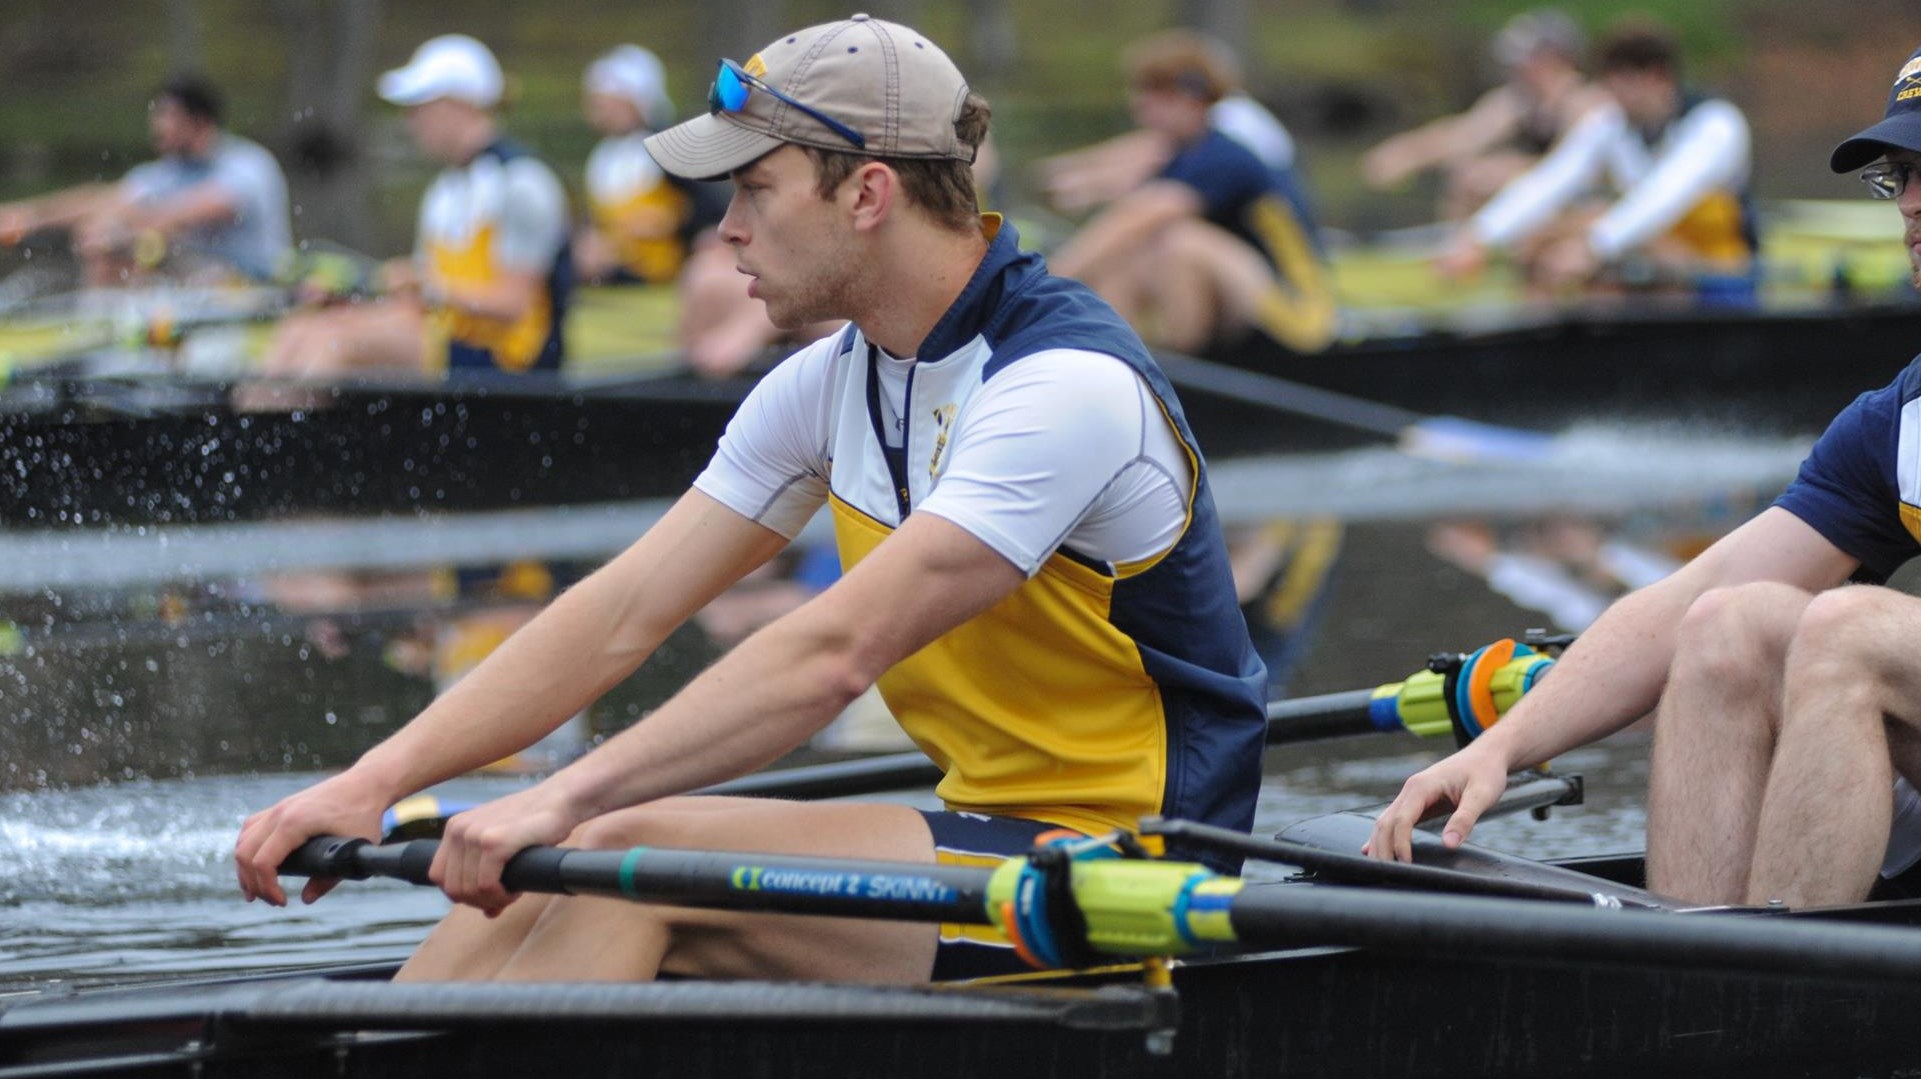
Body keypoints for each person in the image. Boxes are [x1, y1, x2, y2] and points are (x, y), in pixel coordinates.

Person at [233, 15, 1267, 984]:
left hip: (1144, 873)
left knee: (615, 844)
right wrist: (375, 776)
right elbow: (623, 608)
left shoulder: (1061, 387)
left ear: (867, 194)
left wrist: (563, 792)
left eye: (754, 191)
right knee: (568, 854)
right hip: (989, 838)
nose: (725, 231)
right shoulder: (833, 382)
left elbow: (829, 655)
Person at [1364, 42, 1921, 910]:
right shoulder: (1896, 420)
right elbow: (1684, 593)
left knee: (1846, 628)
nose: (1911, 202)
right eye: (1899, 175)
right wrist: (1499, 749)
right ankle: (1696, 987)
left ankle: (1782, 1013)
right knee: (1723, 620)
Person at [260, 35, 571, 378]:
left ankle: (279, 426)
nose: (410, 121)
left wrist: (426, 285)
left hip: (509, 360)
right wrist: (354, 299)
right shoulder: (443, 190)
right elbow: (423, 297)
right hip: (448, 339)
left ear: (458, 104)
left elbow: (512, 305)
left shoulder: (524, 184)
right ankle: (259, 424)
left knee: (333, 342)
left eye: (419, 107)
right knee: (303, 327)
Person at [1047, 30, 1336, 355]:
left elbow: (1137, 218)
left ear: (1190, 96)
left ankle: (1177, 361)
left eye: (1152, 92)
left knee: (1178, 242)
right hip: (1240, 300)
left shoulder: (1225, 155)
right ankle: (1114, 356)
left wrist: (1047, 282)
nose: (1137, 104)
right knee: (1125, 256)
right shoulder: (1179, 154)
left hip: (1297, 309)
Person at [1437, 20, 1757, 303]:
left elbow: (1663, 196)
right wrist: (1479, 237)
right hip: (1651, 258)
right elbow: (1551, 180)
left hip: (1720, 273)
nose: (1611, 95)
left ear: (1657, 77)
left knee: (1589, 226)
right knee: (1539, 245)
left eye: (1622, 83)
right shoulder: (1612, 122)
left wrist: (1592, 246)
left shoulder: (1717, 124)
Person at [0, 74, 291, 285]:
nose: (157, 127)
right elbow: (102, 198)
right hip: (194, 282)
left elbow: (195, 211)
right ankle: (103, 336)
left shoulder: (248, 164)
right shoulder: (167, 171)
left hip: (253, 285)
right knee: (105, 236)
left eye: (168, 117)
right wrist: (28, 217)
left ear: (200, 122)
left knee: (113, 238)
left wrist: (121, 228)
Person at [1362, 10, 1610, 222]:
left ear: (1555, 59)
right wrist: (1407, 153)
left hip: (1595, 207)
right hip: (1546, 201)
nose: (1516, 67)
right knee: (1467, 174)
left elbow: (1576, 172)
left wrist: (1507, 169)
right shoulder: (1520, 101)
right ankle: (1463, 256)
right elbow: (1462, 137)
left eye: (1526, 58)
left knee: (1479, 177)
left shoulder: (1586, 104)